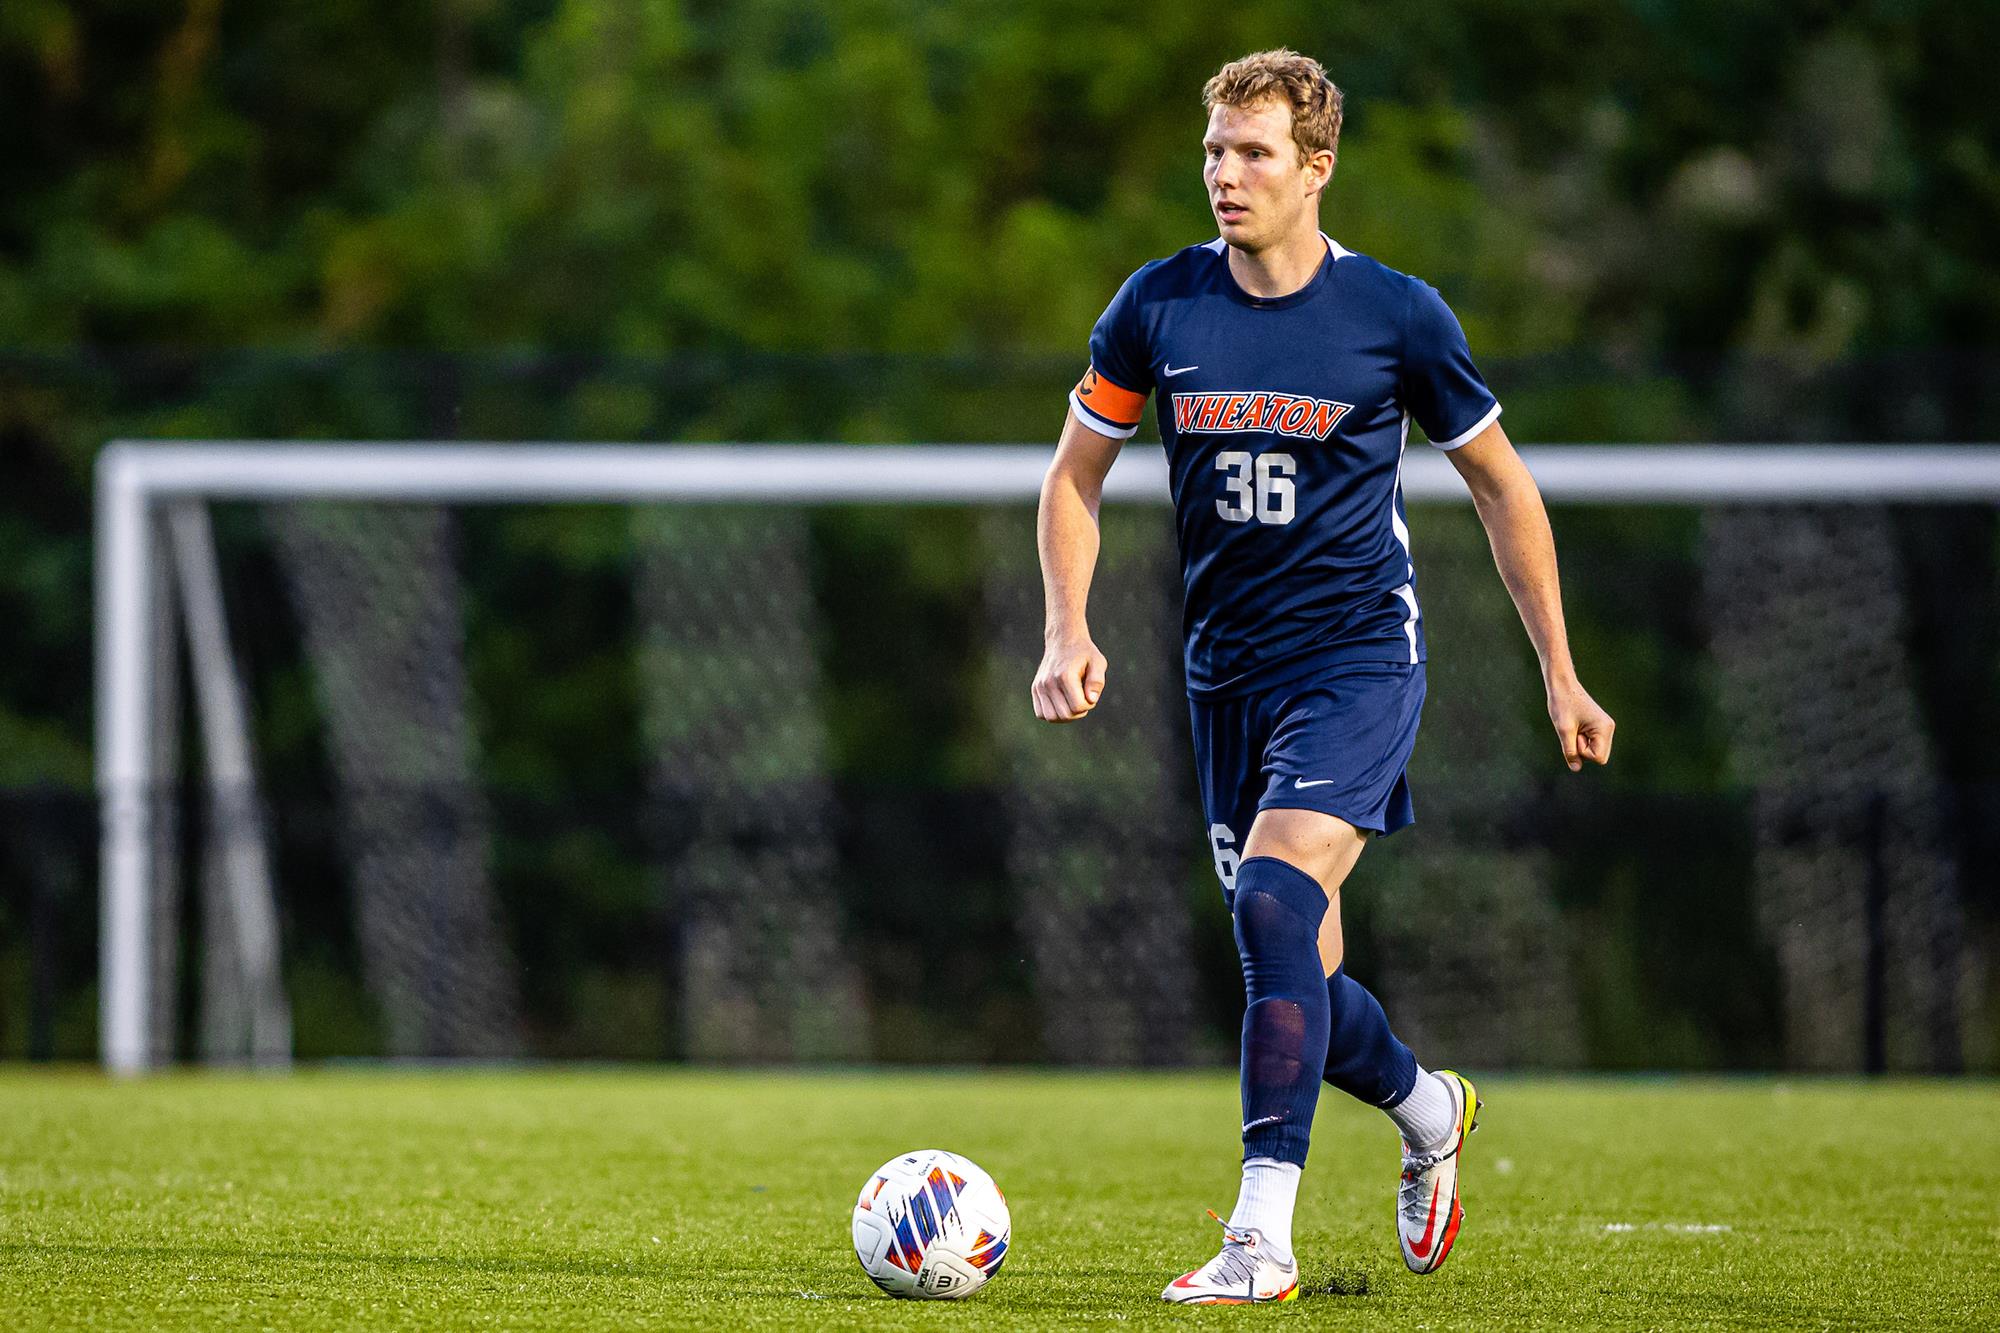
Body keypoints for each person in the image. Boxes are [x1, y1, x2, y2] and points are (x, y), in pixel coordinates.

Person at [1031, 48, 1615, 1305]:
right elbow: (1073, 474)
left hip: (1355, 660)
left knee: (1270, 906)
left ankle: (1259, 1238)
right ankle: (1427, 1109)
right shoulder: (1156, 304)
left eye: (1252, 153)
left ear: (1316, 166)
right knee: (1297, 969)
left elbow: (1502, 485)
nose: (1224, 175)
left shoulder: (1397, 316)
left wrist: (1559, 672)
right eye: (1212, 152)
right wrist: (1064, 629)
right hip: (1223, 679)